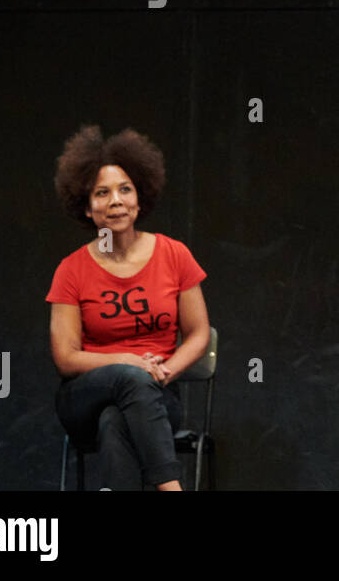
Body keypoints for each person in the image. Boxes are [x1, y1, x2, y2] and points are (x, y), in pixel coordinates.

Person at [46, 125, 210, 491]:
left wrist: (164, 372)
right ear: (87, 208)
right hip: (84, 397)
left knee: (115, 421)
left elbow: (199, 334)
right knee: (124, 385)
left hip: (156, 396)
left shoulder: (174, 255)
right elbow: (66, 358)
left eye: (125, 189)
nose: (115, 201)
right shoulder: (71, 270)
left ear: (139, 199)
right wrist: (128, 363)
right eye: (102, 193)